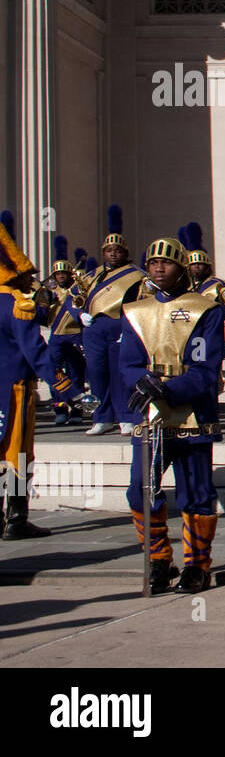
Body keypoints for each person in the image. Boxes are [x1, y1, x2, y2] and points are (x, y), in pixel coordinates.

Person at [120, 232, 225, 593]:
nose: (159, 267)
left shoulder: (204, 309)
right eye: (153, 262)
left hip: (192, 412)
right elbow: (128, 363)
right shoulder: (135, 311)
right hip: (149, 414)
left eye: (166, 262)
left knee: (196, 491)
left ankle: (197, 564)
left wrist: (166, 387)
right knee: (141, 490)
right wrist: (142, 381)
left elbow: (206, 368)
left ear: (182, 267)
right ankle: (158, 559)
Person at [0, 212, 77, 539]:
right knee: (18, 453)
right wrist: (63, 386)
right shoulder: (18, 304)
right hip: (14, 388)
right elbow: (34, 349)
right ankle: (16, 519)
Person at [81, 205, 146, 436]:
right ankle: (102, 416)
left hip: (120, 326)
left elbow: (143, 301)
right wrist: (80, 313)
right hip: (94, 328)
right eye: (109, 250)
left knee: (121, 374)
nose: (113, 254)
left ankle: (126, 417)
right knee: (96, 373)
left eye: (117, 250)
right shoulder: (93, 275)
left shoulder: (137, 274)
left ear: (124, 252)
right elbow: (73, 297)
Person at [46, 236, 87, 426]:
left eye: (64, 273)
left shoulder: (76, 290)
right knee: (55, 372)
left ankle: (77, 409)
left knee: (76, 373)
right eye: (58, 274)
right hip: (56, 336)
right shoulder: (51, 292)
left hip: (75, 334)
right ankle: (60, 408)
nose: (61, 276)